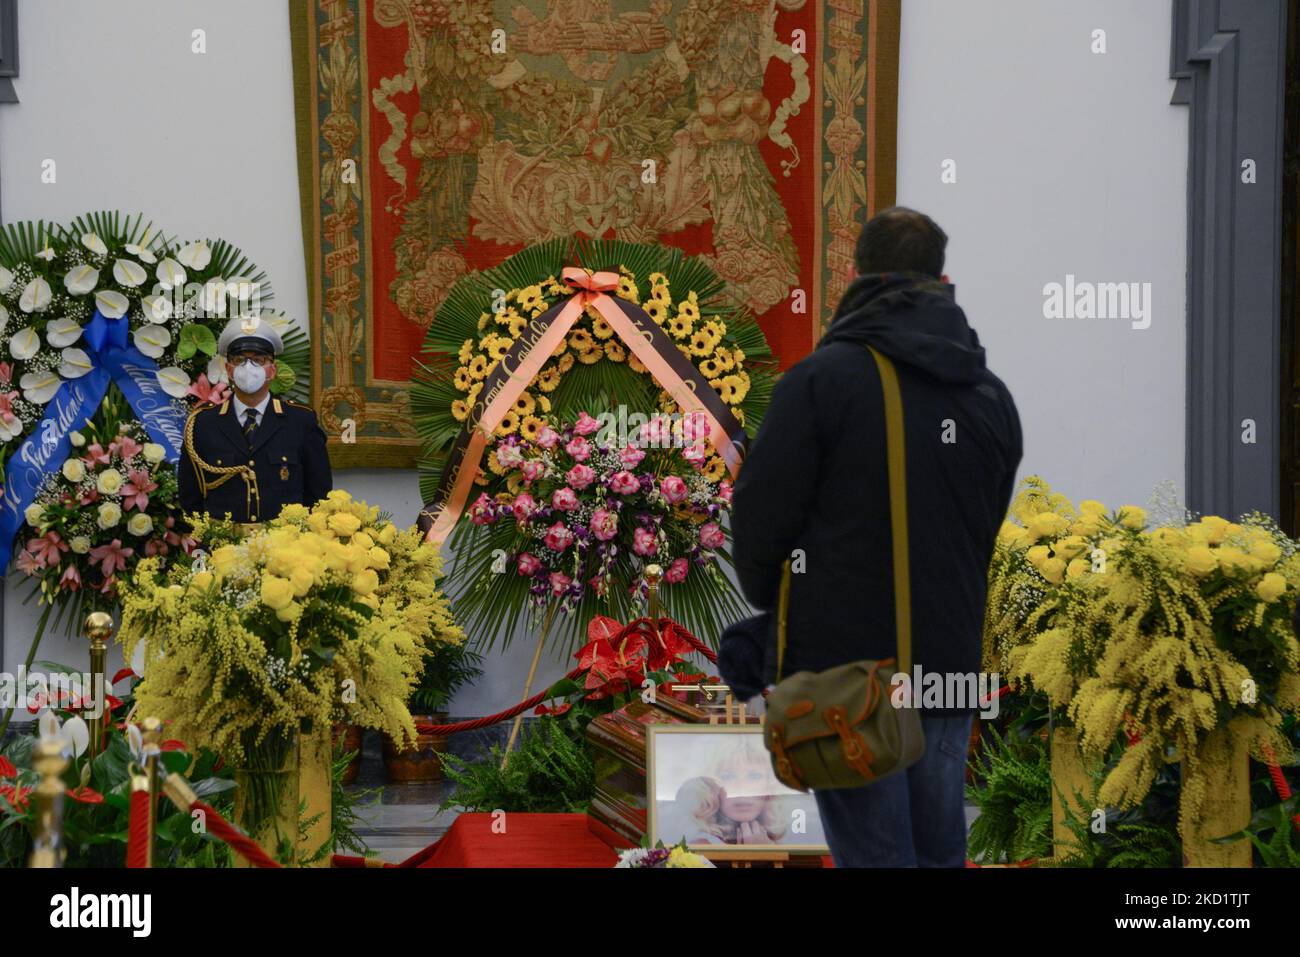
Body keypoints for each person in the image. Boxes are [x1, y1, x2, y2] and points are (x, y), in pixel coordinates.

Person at [730, 207, 1023, 867]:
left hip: (847, 674)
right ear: (942, 281)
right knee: (940, 848)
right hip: (948, 665)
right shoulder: (990, 396)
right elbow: (984, 524)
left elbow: (760, 518)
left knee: (874, 856)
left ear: (856, 277)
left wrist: (776, 606)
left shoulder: (819, 382)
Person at [179, 316, 333, 524]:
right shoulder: (203, 424)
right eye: (239, 360)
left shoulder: (300, 421)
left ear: (272, 370)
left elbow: (319, 494)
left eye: (259, 360)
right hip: (223, 542)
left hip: (285, 542)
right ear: (229, 370)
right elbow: (190, 498)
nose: (248, 367)